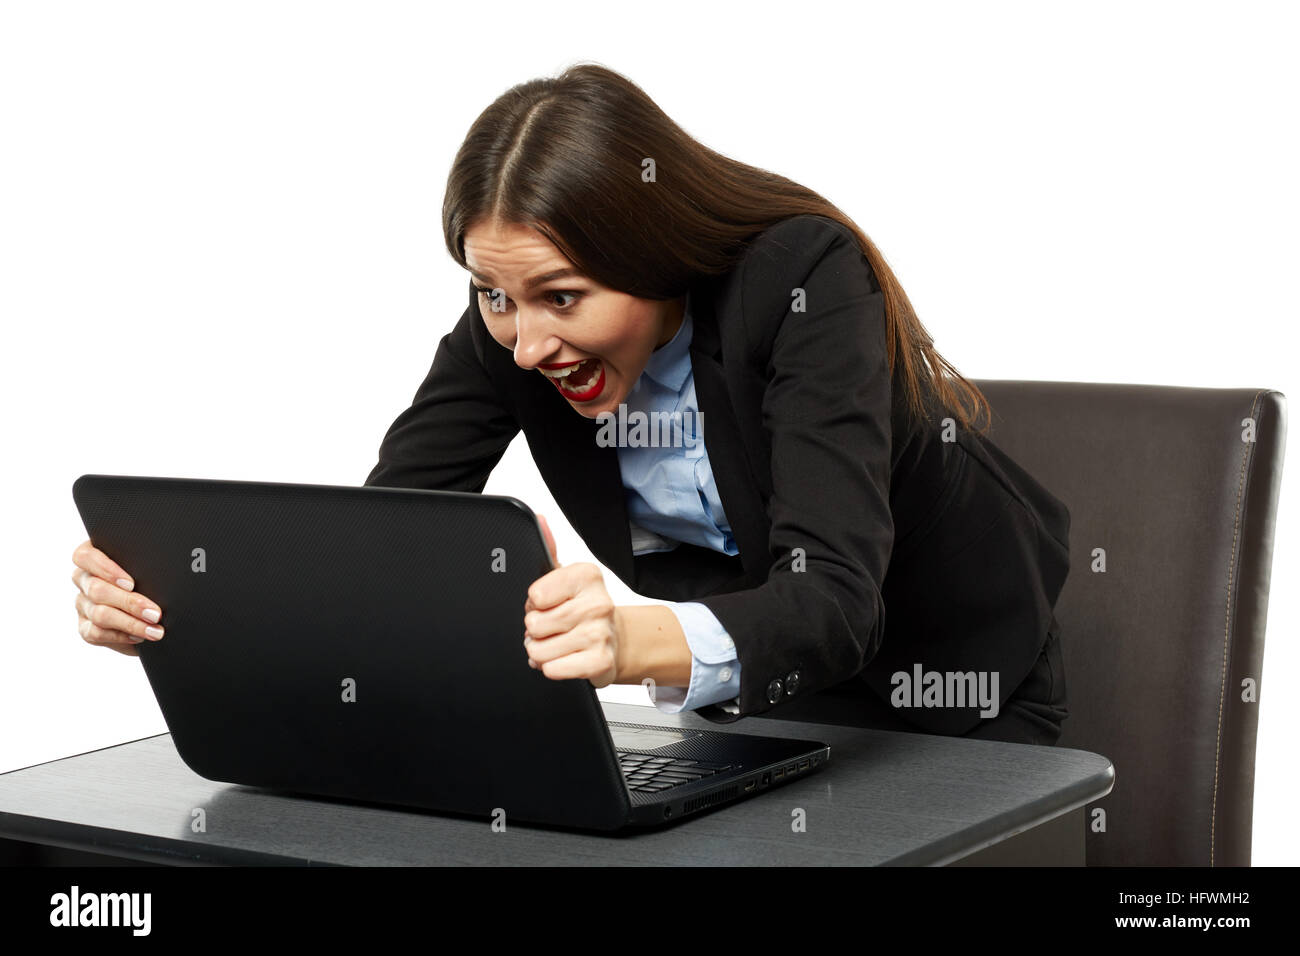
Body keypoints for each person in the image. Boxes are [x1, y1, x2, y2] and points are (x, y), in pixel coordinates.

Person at [69, 63, 1070, 746]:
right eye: (493, 293)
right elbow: (386, 538)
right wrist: (181, 600)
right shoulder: (508, 328)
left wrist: (627, 640)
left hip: (949, 689)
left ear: (656, 254)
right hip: (748, 704)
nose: (527, 341)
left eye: (561, 296)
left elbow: (835, 600)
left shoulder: (802, 280)